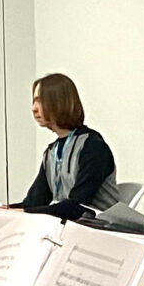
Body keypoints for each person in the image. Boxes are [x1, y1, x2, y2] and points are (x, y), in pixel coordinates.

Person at [18, 73, 116, 221]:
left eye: (39, 101)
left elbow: (76, 207)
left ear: (58, 101)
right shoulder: (51, 152)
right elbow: (34, 202)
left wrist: (22, 213)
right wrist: (1, 211)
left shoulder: (93, 147)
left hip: (97, 230)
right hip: (68, 228)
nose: (33, 108)